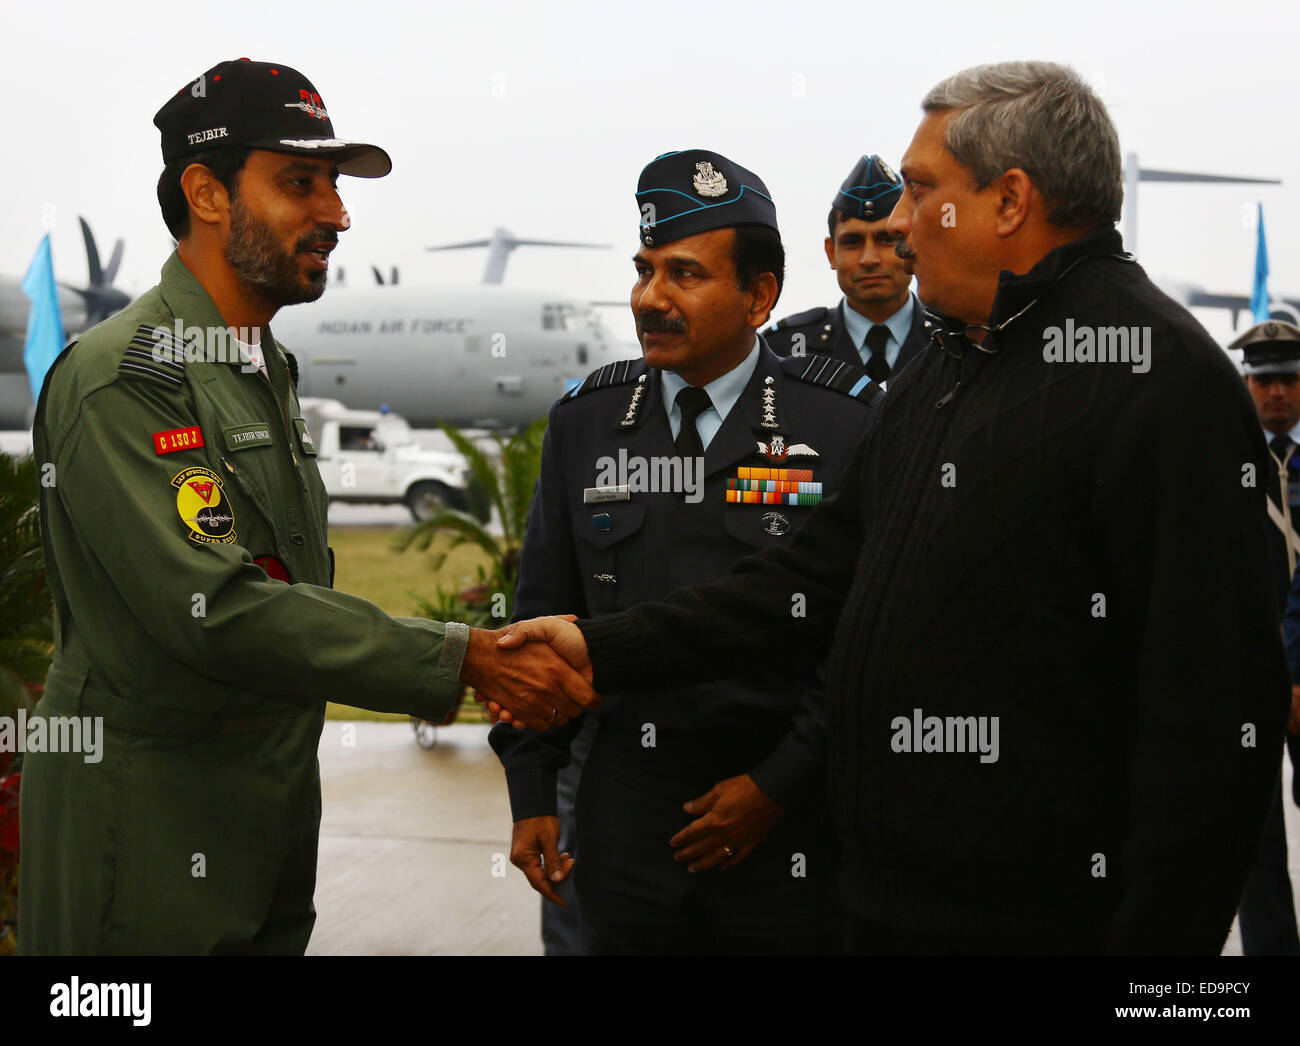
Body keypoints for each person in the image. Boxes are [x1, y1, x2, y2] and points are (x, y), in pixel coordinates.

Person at [495, 61, 1289, 955]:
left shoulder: (1161, 380)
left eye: (919, 191)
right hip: (891, 910)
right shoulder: (948, 364)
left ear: (1009, 200)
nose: (900, 227)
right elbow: (806, 581)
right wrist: (600, 646)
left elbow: (1213, 736)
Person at [20, 58, 592, 955]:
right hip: (148, 832)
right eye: (300, 183)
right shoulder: (127, 377)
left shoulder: (261, 369)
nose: (337, 214)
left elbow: (289, 589)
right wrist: (466, 656)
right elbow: (217, 609)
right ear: (207, 193)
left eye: (334, 185)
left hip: (264, 817)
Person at [490, 149, 881, 955]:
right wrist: (532, 791)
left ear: (759, 296)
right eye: (644, 270)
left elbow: (860, 640)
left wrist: (776, 787)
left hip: (787, 820)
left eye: (685, 274)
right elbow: (541, 618)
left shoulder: (841, 424)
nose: (651, 298)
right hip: (625, 817)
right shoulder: (586, 423)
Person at [1230, 318, 1300, 954]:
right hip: (1249, 662)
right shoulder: (1227, 460)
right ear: (1247, 384)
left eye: (1289, 378)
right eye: (1265, 379)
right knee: (1257, 830)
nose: (1276, 392)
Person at [764, 154, 928, 381]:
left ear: (911, 244)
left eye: (886, 240)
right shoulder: (785, 347)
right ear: (831, 252)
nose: (869, 259)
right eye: (852, 242)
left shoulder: (955, 341)